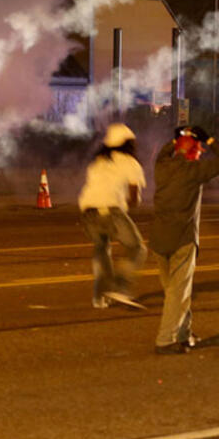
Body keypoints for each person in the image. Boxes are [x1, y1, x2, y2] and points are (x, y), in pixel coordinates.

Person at [150, 125, 219, 354]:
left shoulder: (162, 167)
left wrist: (177, 138)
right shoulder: (193, 171)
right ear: (192, 153)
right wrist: (208, 138)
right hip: (182, 239)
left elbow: (162, 153)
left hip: (159, 240)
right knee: (177, 293)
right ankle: (165, 341)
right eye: (198, 150)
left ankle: (184, 333)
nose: (200, 153)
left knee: (177, 291)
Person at [77, 123, 147, 309]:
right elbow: (134, 198)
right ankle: (121, 288)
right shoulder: (130, 162)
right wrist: (128, 204)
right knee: (137, 248)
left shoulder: (98, 161)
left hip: (87, 211)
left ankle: (100, 297)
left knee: (101, 250)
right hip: (111, 210)